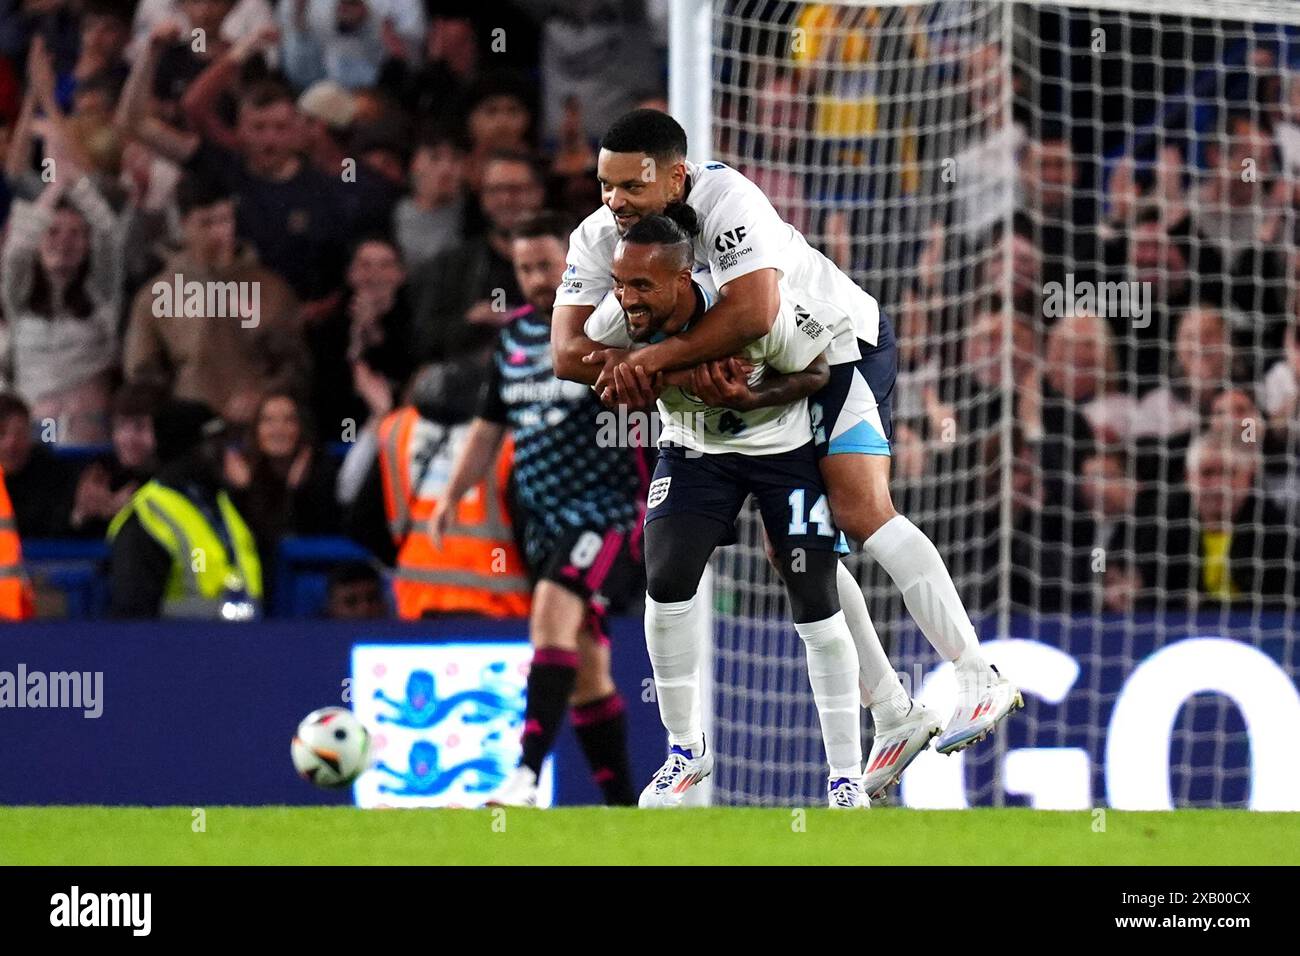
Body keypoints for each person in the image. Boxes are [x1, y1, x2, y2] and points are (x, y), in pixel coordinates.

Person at [552, 109, 1021, 756]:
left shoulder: (730, 200)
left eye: (631, 186)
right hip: (770, 372)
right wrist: (650, 371)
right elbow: (566, 350)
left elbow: (753, 312)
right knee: (791, 548)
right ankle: (892, 712)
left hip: (836, 345)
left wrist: (654, 362)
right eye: (605, 185)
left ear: (676, 176)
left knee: (859, 509)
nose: (614, 201)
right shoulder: (601, 235)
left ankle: (979, 674)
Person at [584, 213, 872, 807]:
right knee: (664, 582)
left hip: (782, 453)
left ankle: (845, 777)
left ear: (684, 276)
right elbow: (582, 361)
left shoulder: (756, 307)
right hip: (695, 452)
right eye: (619, 282)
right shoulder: (615, 319)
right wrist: (622, 380)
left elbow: (818, 371)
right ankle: (685, 750)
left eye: (642, 286)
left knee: (815, 602)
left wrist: (750, 395)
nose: (626, 298)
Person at [431, 213, 645, 808]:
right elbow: (489, 427)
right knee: (585, 670)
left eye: (545, 265)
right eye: (524, 268)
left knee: (550, 620)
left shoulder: (608, 326)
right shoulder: (515, 339)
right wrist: (451, 497)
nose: (534, 278)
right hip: (542, 523)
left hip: (605, 513)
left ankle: (523, 777)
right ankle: (627, 815)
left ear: (573, 264)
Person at [345, 362, 531, 621]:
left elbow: (361, 522)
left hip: (418, 603)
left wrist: (410, 555)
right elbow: (533, 525)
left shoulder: (398, 429)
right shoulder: (509, 435)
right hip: (500, 610)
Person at [123, 173, 307, 426]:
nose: (219, 232)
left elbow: (295, 366)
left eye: (225, 220)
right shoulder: (156, 295)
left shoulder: (271, 289)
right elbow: (142, 375)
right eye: (206, 223)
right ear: (185, 225)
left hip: (259, 424)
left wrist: (263, 396)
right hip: (186, 427)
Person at [106, 399, 262, 620]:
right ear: (188, 450)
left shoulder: (222, 502)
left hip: (245, 642)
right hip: (180, 648)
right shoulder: (149, 515)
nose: (226, 452)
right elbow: (132, 617)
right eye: (214, 443)